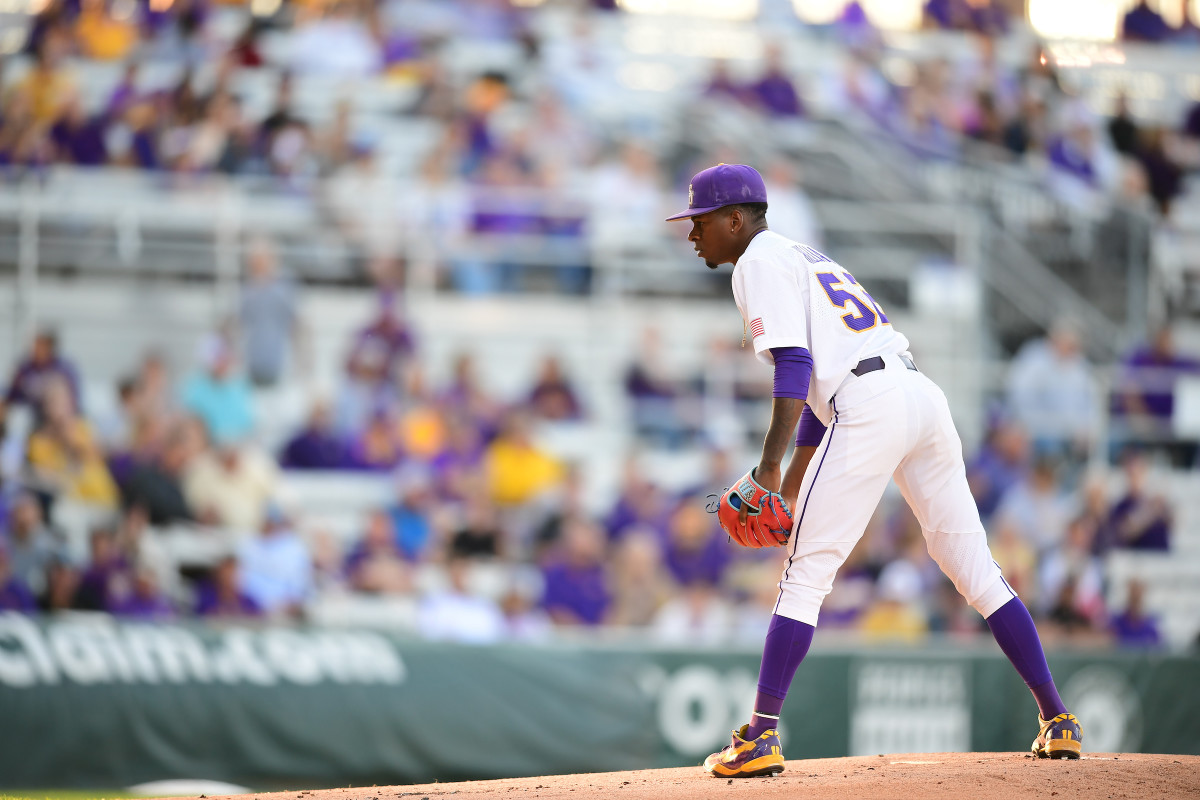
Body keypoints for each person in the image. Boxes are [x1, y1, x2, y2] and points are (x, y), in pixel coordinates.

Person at [665, 164, 1081, 777]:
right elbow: (815, 395)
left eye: (700, 222)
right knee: (978, 572)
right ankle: (1057, 718)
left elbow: (795, 371)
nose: (693, 234)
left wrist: (767, 473)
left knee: (804, 575)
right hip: (918, 396)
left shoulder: (756, 260)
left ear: (736, 219)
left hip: (868, 405)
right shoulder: (802, 256)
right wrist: (795, 479)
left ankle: (760, 736)